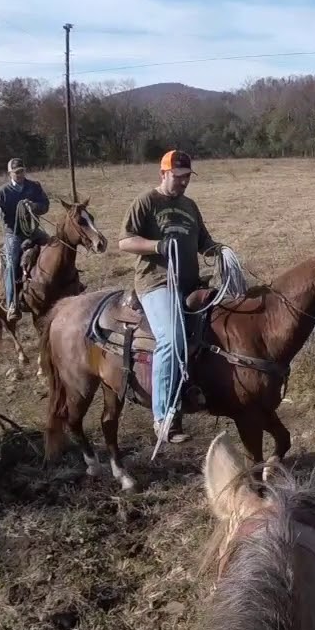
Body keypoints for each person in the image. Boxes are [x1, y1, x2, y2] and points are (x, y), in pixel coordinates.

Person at [116, 149, 216, 445]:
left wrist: (221, 251)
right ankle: (163, 417)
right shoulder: (146, 201)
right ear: (163, 174)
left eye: (187, 177)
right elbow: (124, 241)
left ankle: (199, 389)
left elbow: (205, 243)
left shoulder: (190, 205)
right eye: (178, 176)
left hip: (189, 283)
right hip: (157, 282)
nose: (183, 182)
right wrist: (156, 246)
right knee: (171, 338)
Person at [0, 158, 50, 321]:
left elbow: (45, 205)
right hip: (13, 234)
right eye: (16, 172)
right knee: (12, 262)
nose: (20, 175)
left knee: (55, 247)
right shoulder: (3, 192)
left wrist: (34, 206)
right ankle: (12, 304)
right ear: (10, 174)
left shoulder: (34, 187)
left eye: (22, 171)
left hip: (33, 231)